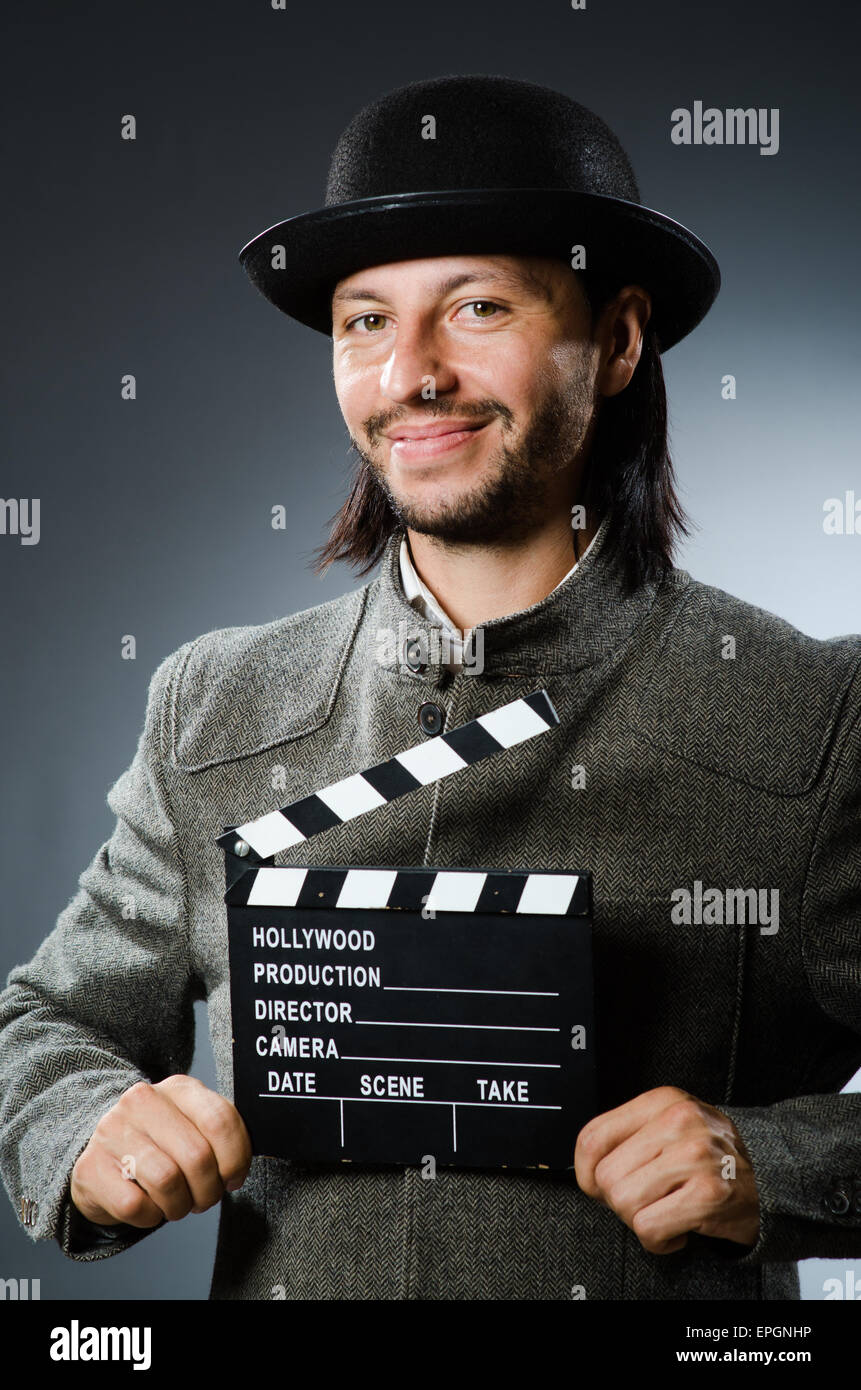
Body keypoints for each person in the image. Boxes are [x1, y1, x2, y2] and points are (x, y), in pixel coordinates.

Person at [1, 73, 859, 1301]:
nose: (412, 372)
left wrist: (769, 1160)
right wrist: (87, 1128)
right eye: (365, 322)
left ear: (616, 340)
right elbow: (45, 1025)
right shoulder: (215, 705)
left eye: (477, 307)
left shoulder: (812, 717)